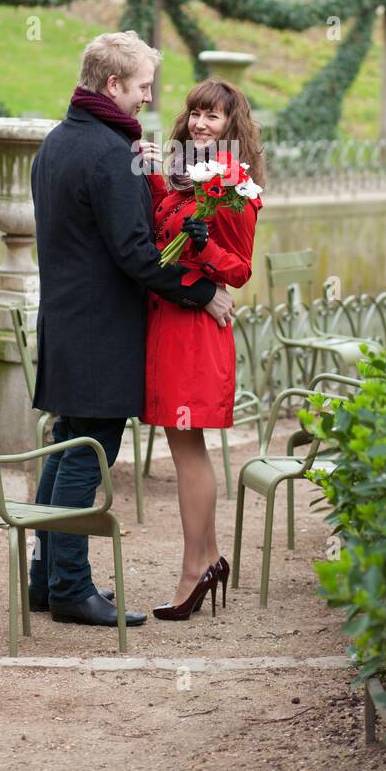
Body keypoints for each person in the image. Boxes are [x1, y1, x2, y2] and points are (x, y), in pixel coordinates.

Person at [28, 32, 235, 629]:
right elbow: (137, 255)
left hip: (64, 325)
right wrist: (202, 293)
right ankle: (70, 586)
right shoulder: (109, 154)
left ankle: (46, 580)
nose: (149, 97)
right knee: (88, 455)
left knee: (67, 447)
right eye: (143, 86)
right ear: (113, 86)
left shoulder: (56, 144)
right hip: (101, 335)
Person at [141, 79, 264, 620]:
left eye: (213, 117)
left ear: (232, 126)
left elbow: (239, 268)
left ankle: (194, 572)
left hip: (195, 331)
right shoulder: (183, 172)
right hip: (170, 319)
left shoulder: (234, 183)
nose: (200, 124)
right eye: (195, 113)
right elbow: (155, 226)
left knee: (188, 450)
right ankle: (209, 559)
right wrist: (150, 174)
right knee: (183, 447)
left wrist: (202, 242)